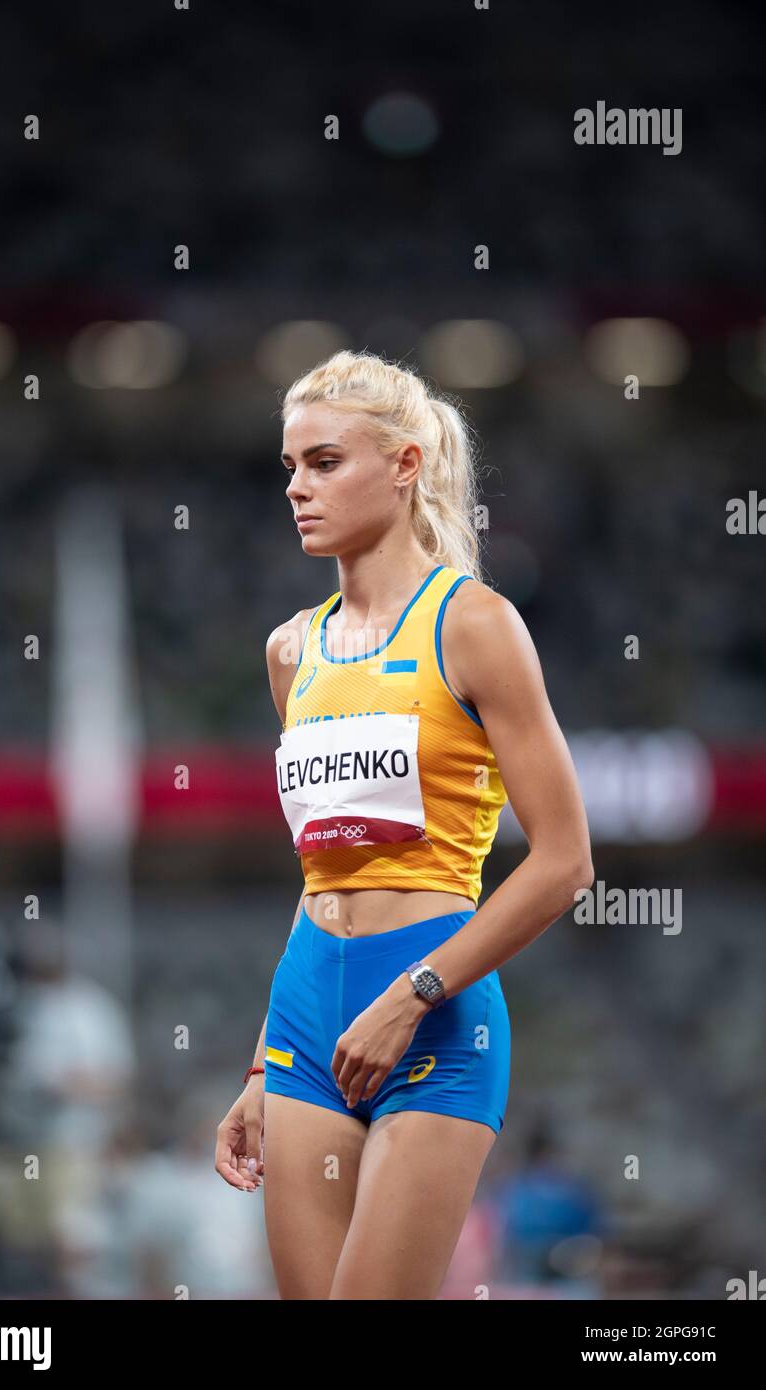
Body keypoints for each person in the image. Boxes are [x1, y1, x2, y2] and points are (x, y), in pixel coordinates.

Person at [215, 349, 593, 1300]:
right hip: (307, 1009)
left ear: (405, 464)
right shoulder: (290, 650)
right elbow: (322, 874)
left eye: (326, 461)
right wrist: (265, 1060)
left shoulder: (474, 626)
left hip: (437, 1010)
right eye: (290, 467)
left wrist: (415, 992)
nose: (298, 487)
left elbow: (565, 863)